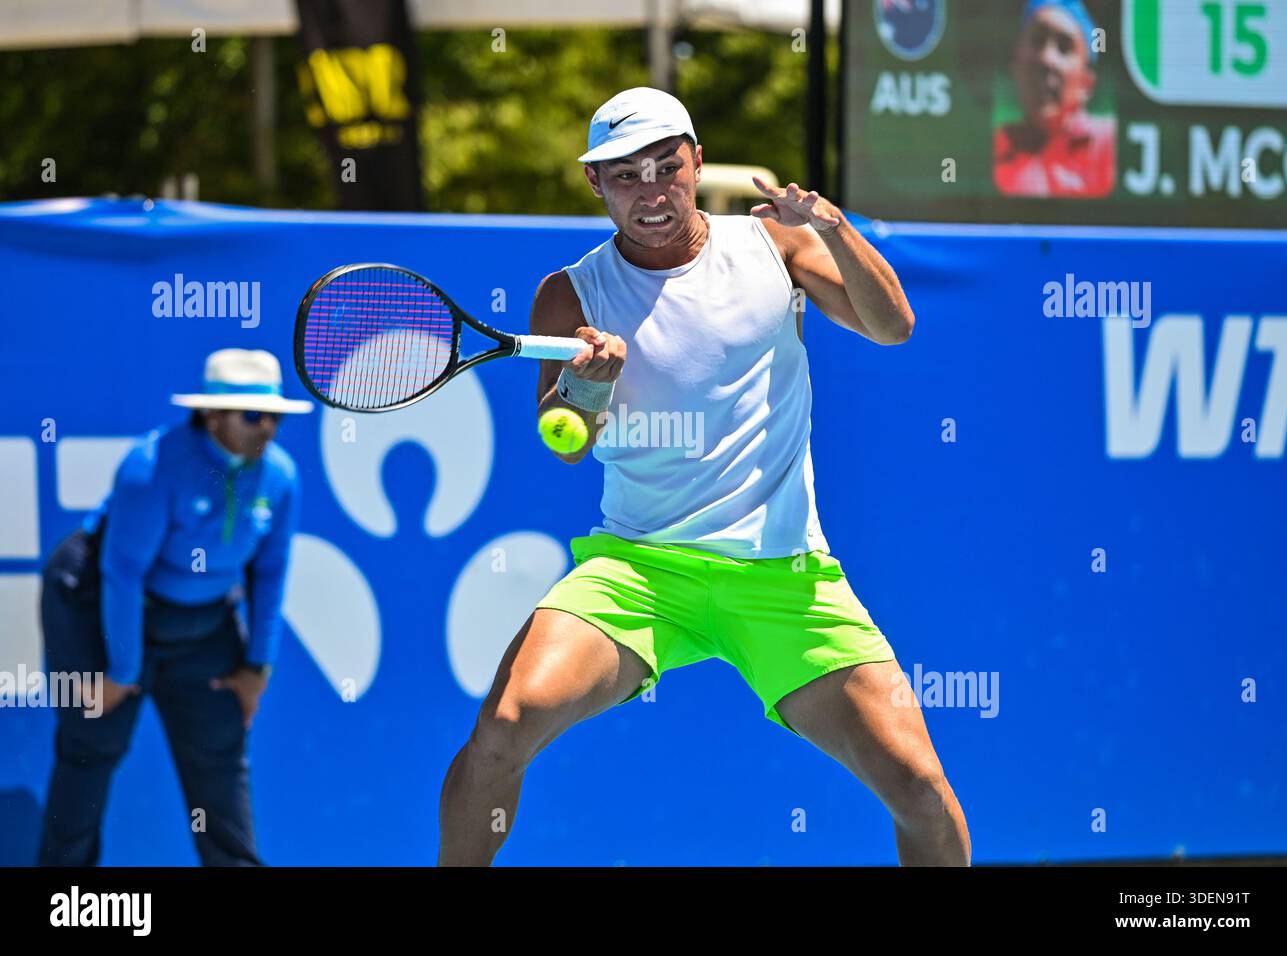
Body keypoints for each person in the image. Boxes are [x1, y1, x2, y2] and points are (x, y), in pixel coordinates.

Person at [438, 87, 970, 866]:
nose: (650, 191)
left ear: (696, 159)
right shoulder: (570, 293)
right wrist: (588, 385)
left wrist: (831, 225)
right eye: (624, 175)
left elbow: (893, 327)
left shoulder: (774, 248)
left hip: (785, 577)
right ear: (595, 185)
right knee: (504, 727)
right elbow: (565, 442)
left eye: (665, 166)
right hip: (637, 572)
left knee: (919, 789)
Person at [38, 348, 311, 866]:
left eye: (276, 416)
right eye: (253, 416)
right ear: (211, 414)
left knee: (220, 758)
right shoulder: (151, 466)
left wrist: (257, 667)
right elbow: (122, 574)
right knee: (89, 747)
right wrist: (122, 672)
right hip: (99, 609)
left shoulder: (281, 477)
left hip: (202, 624)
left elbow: (270, 572)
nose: (268, 429)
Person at [994, 0, 1115, 198]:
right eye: (1037, 40)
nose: (1046, 59)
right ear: (1015, 66)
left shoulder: (1107, 147)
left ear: (1086, 84)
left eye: (1064, 47)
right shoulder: (996, 149)